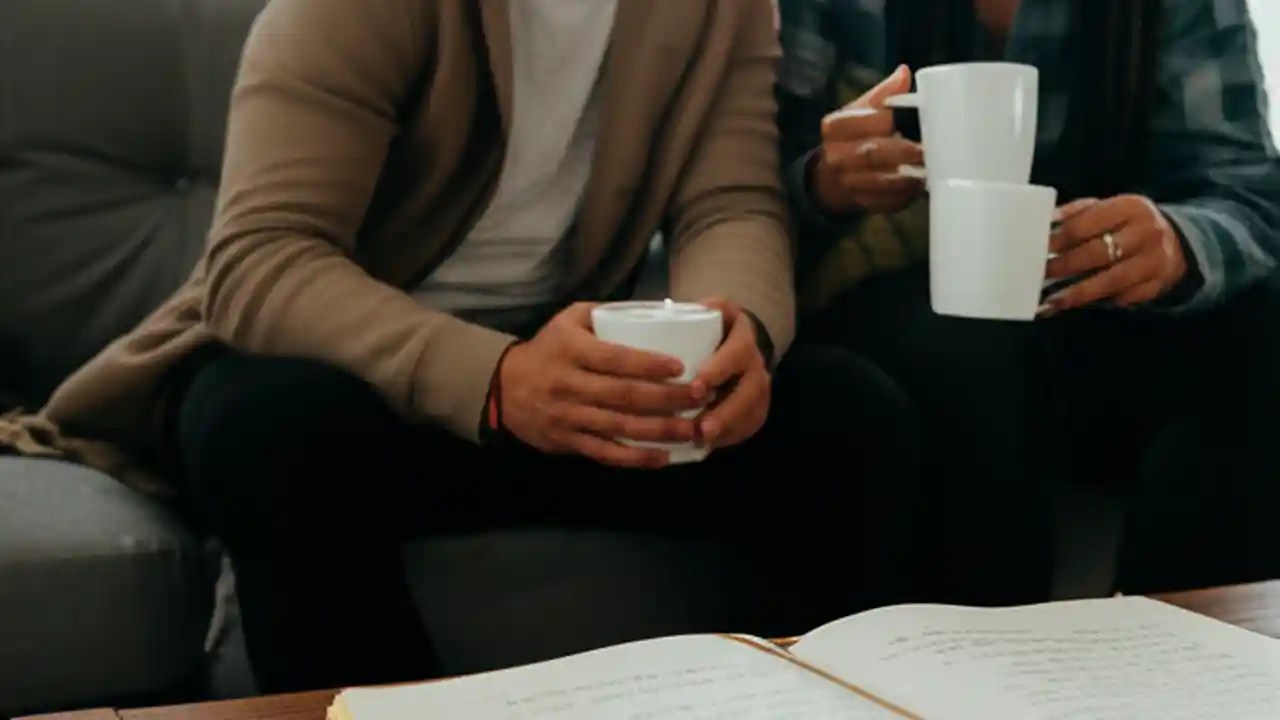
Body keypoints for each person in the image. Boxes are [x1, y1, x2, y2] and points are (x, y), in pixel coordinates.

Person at [0, 0, 922, 693]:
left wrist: (736, 333)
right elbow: (258, 261)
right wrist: (497, 380)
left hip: (561, 350)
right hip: (361, 366)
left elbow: (728, 202)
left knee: (848, 418)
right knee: (260, 432)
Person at [778, 0, 1280, 604]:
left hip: (1113, 313)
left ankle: (1181, 664)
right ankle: (987, 675)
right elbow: (742, 181)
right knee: (973, 347)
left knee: (1263, 331)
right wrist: (825, 182)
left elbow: (1243, 185)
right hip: (905, 307)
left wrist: (1179, 244)